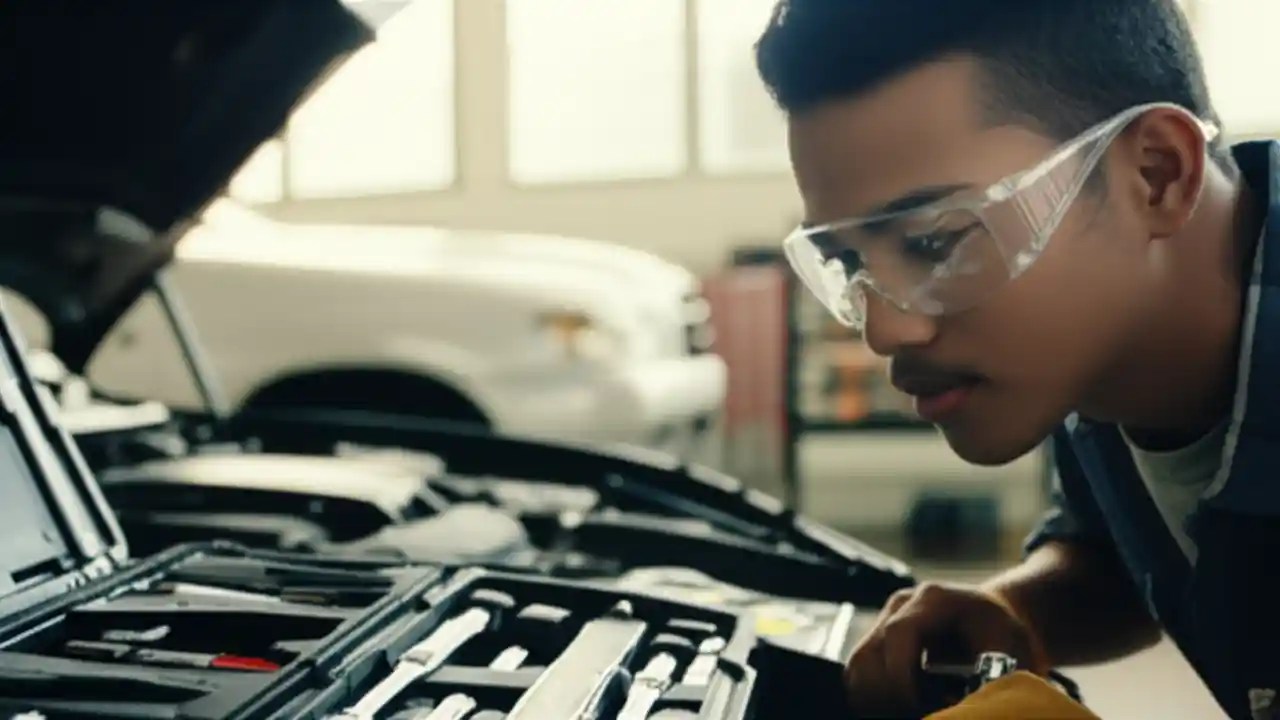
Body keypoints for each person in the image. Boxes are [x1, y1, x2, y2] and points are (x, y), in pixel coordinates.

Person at [754, 1, 1280, 718]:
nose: (886, 327)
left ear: (1156, 173)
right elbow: (1121, 558)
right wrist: (1018, 610)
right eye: (847, 262)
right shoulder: (1109, 357)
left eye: (936, 241)